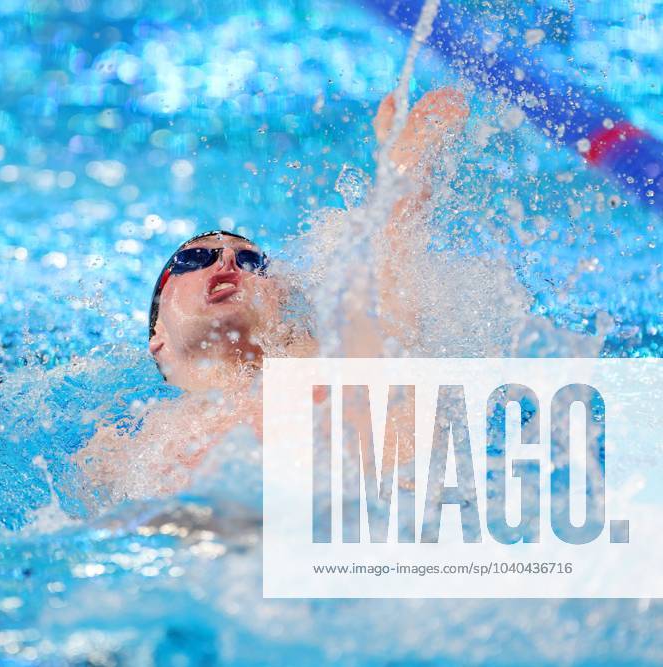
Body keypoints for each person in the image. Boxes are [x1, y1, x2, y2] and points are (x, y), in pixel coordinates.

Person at [74, 88, 470, 501]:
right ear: (157, 337)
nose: (227, 262)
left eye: (251, 263)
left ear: (279, 307)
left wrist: (404, 167)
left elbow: (392, 285)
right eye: (196, 259)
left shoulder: (329, 365)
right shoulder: (119, 453)